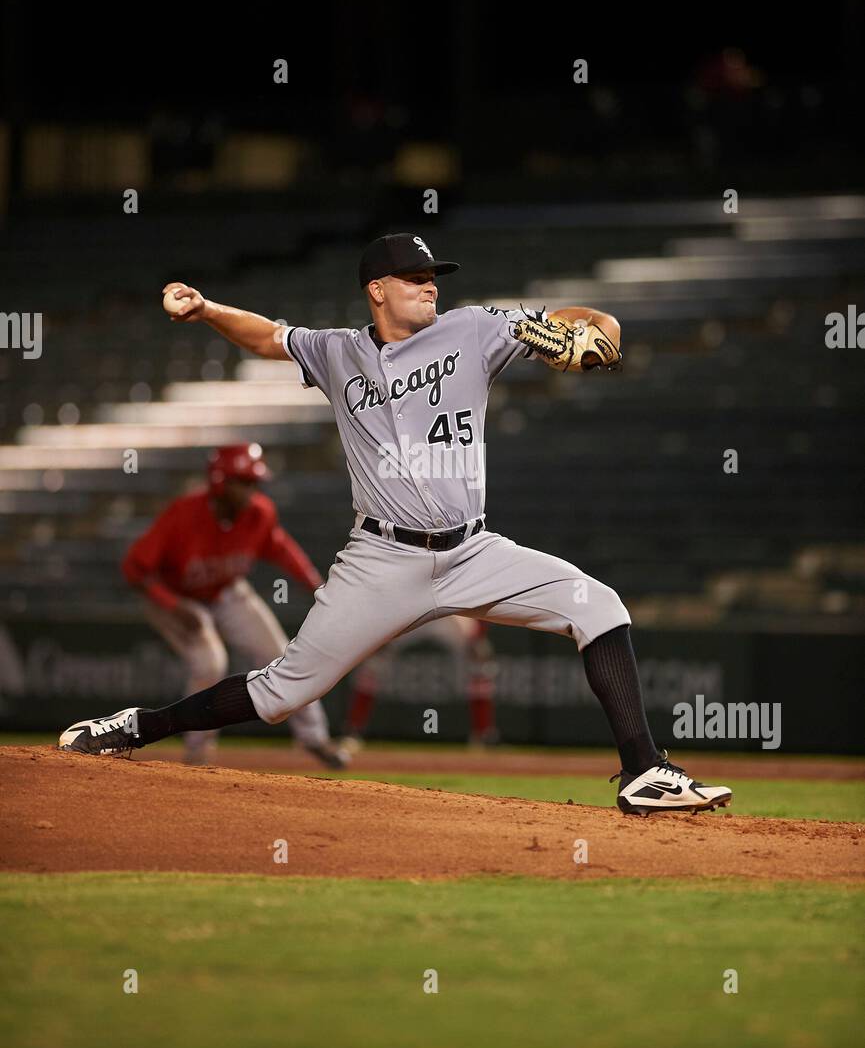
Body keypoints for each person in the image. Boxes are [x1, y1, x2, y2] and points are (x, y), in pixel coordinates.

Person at [60, 232, 732, 816]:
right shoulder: (336, 352)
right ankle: (137, 726)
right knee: (283, 692)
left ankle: (644, 771)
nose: (429, 288)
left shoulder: (473, 329)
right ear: (376, 289)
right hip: (381, 560)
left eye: (433, 278)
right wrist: (206, 309)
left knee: (598, 604)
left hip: (473, 550)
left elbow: (597, 326)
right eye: (415, 279)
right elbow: (267, 335)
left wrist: (594, 335)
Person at [121, 442, 351, 769]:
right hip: (177, 597)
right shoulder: (183, 514)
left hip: (227, 592)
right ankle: (198, 756)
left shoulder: (259, 513)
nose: (250, 490)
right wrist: (171, 604)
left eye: (253, 483)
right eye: (242, 482)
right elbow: (134, 568)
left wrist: (315, 585)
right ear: (219, 482)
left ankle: (315, 739)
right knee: (210, 663)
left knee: (283, 654)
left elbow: (282, 550)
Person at [341, 616, 499, 750]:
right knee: (374, 660)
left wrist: (478, 630)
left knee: (479, 656)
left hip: (447, 608)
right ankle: (353, 730)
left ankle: (483, 734)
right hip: (414, 607)